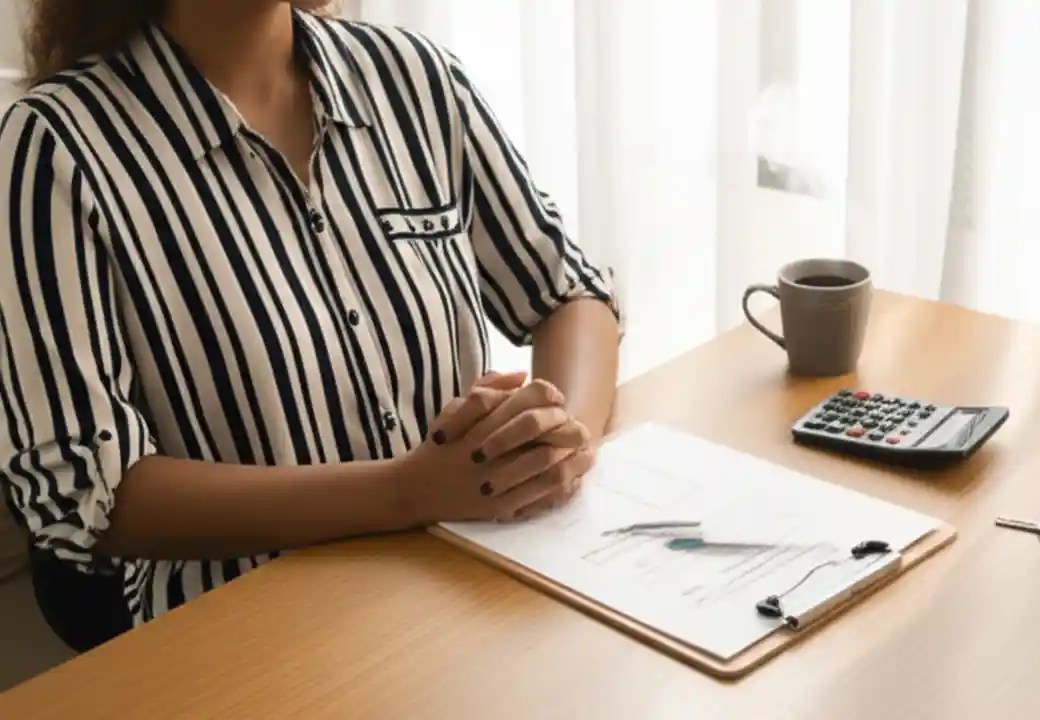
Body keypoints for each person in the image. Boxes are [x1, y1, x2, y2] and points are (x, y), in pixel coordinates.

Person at [0, 0, 621, 651]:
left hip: (467, 605)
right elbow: (88, 487)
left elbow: (569, 291)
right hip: (250, 649)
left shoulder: (416, 80)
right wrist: (405, 493)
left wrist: (561, 439)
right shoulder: (52, 149)